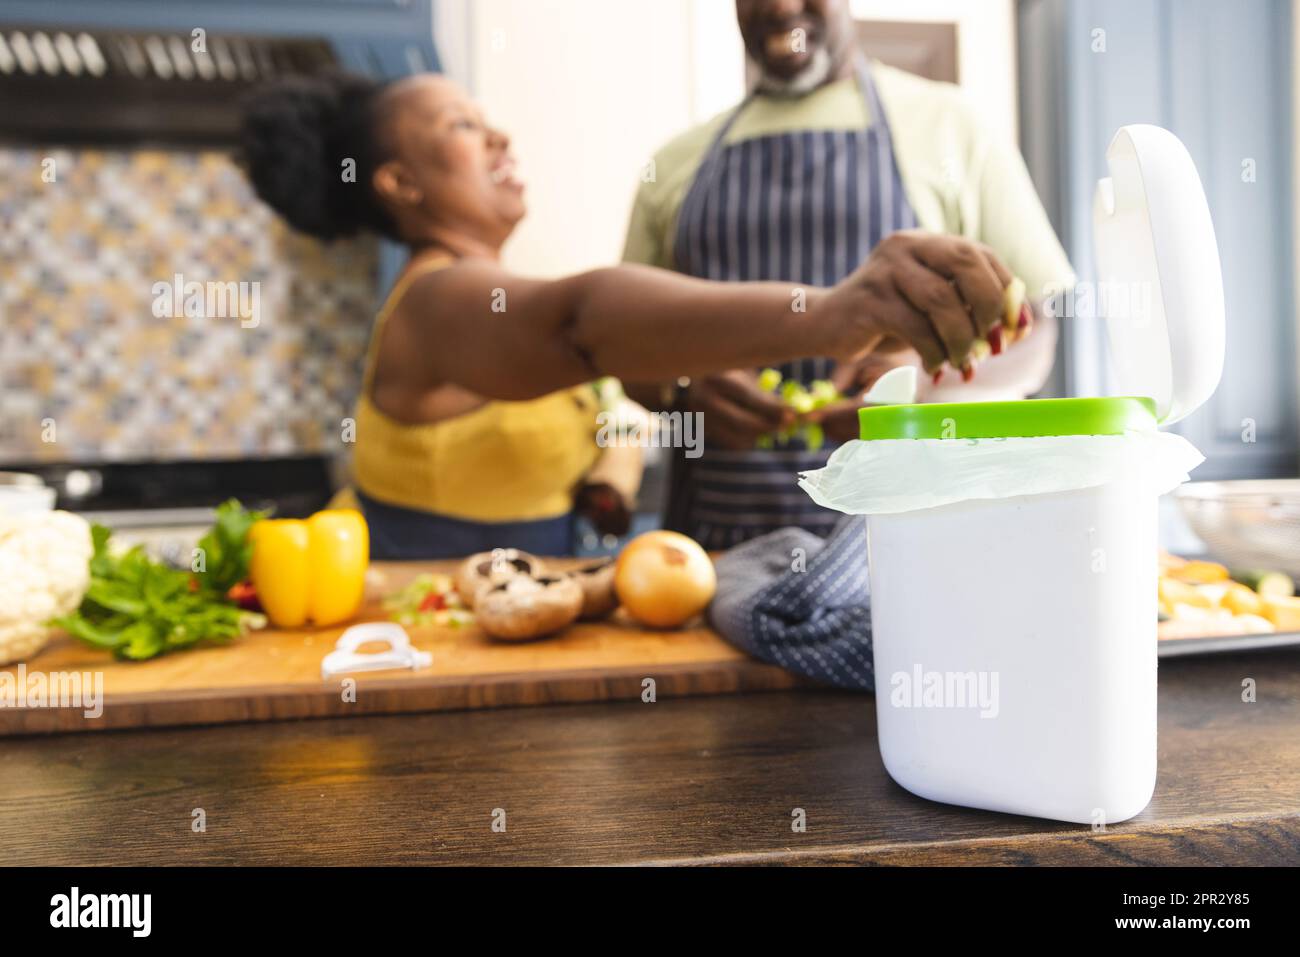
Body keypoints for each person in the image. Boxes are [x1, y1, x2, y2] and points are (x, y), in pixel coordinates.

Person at [240, 71, 1019, 559]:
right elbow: (583, 323)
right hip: (430, 627)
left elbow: (599, 390)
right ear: (400, 185)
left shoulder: (482, 292)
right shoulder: (437, 301)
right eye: (462, 125)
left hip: (528, 594)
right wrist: (834, 312)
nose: (499, 134)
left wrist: (674, 404)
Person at [623, 0, 1076, 549]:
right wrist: (685, 389)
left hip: (912, 542)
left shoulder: (954, 125)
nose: (784, 6)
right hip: (714, 547)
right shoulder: (674, 162)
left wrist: (925, 390)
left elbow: (1036, 336)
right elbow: (626, 350)